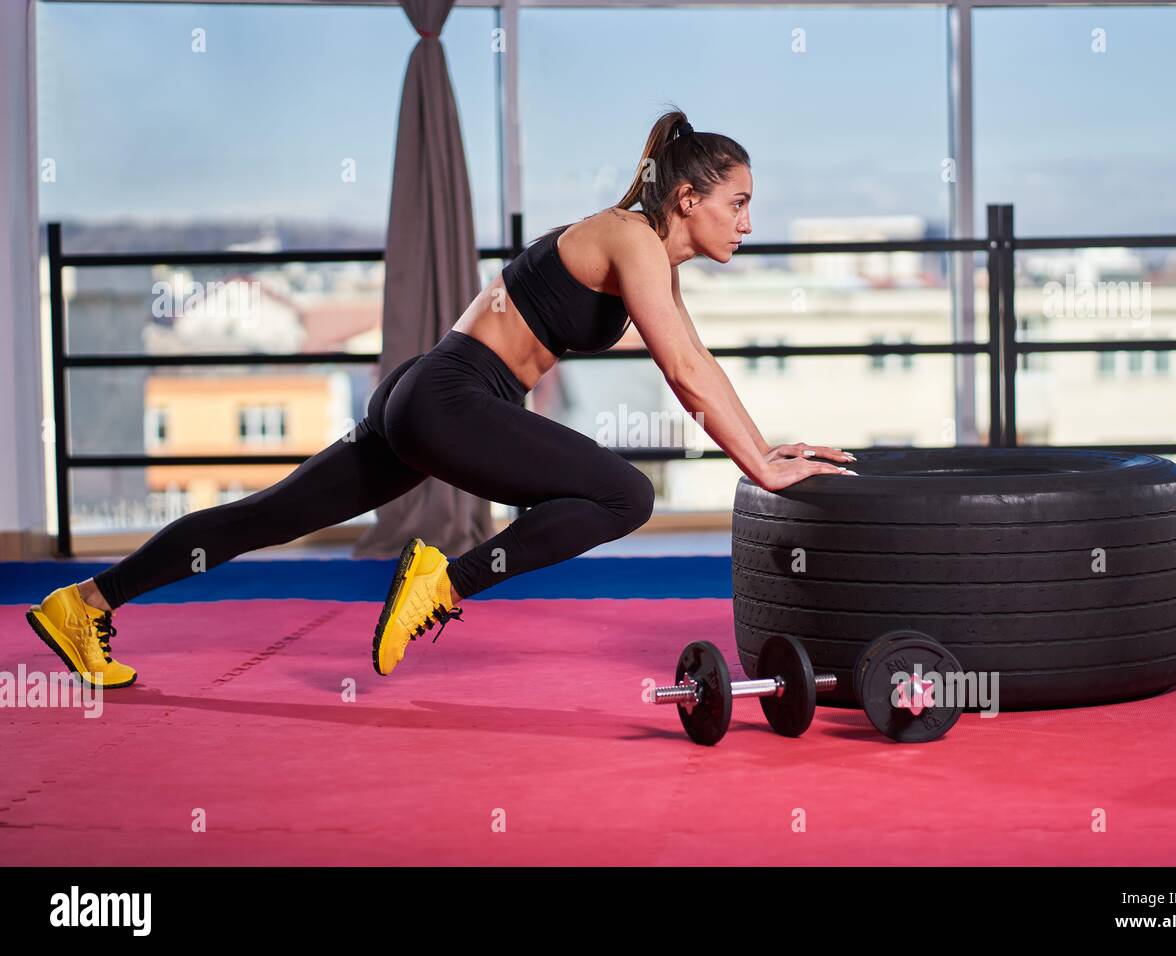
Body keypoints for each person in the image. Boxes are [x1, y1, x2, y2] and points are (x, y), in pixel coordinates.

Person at [25, 108, 857, 690]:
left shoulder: (647, 257)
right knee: (624, 493)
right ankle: (442, 583)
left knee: (262, 517)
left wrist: (763, 448)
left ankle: (84, 604)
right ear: (688, 198)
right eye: (739, 202)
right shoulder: (631, 238)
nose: (749, 222)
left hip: (425, 396)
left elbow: (694, 362)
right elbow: (682, 368)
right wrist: (761, 464)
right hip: (451, 398)